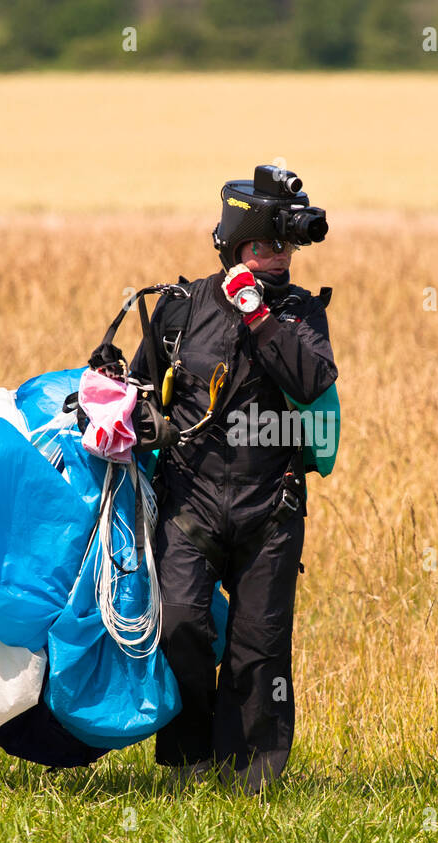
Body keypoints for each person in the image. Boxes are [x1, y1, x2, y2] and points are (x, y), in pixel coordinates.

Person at [130, 164, 337, 795]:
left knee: (259, 647)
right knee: (180, 625)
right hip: (187, 501)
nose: (280, 259)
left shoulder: (301, 314)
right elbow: (137, 389)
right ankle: (188, 766)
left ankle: (251, 780)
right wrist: (140, 419)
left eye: (286, 248)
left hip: (268, 507)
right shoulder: (180, 309)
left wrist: (259, 314)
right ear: (234, 247)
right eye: (266, 247)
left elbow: (311, 382)